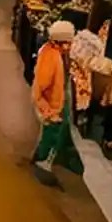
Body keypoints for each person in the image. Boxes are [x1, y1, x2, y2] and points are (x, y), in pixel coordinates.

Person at [31, 20, 84, 186]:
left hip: (59, 102)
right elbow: (39, 88)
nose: (71, 45)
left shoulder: (57, 54)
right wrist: (47, 111)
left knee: (57, 132)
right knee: (50, 135)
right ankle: (41, 163)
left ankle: (56, 158)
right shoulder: (50, 58)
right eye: (69, 41)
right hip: (53, 107)